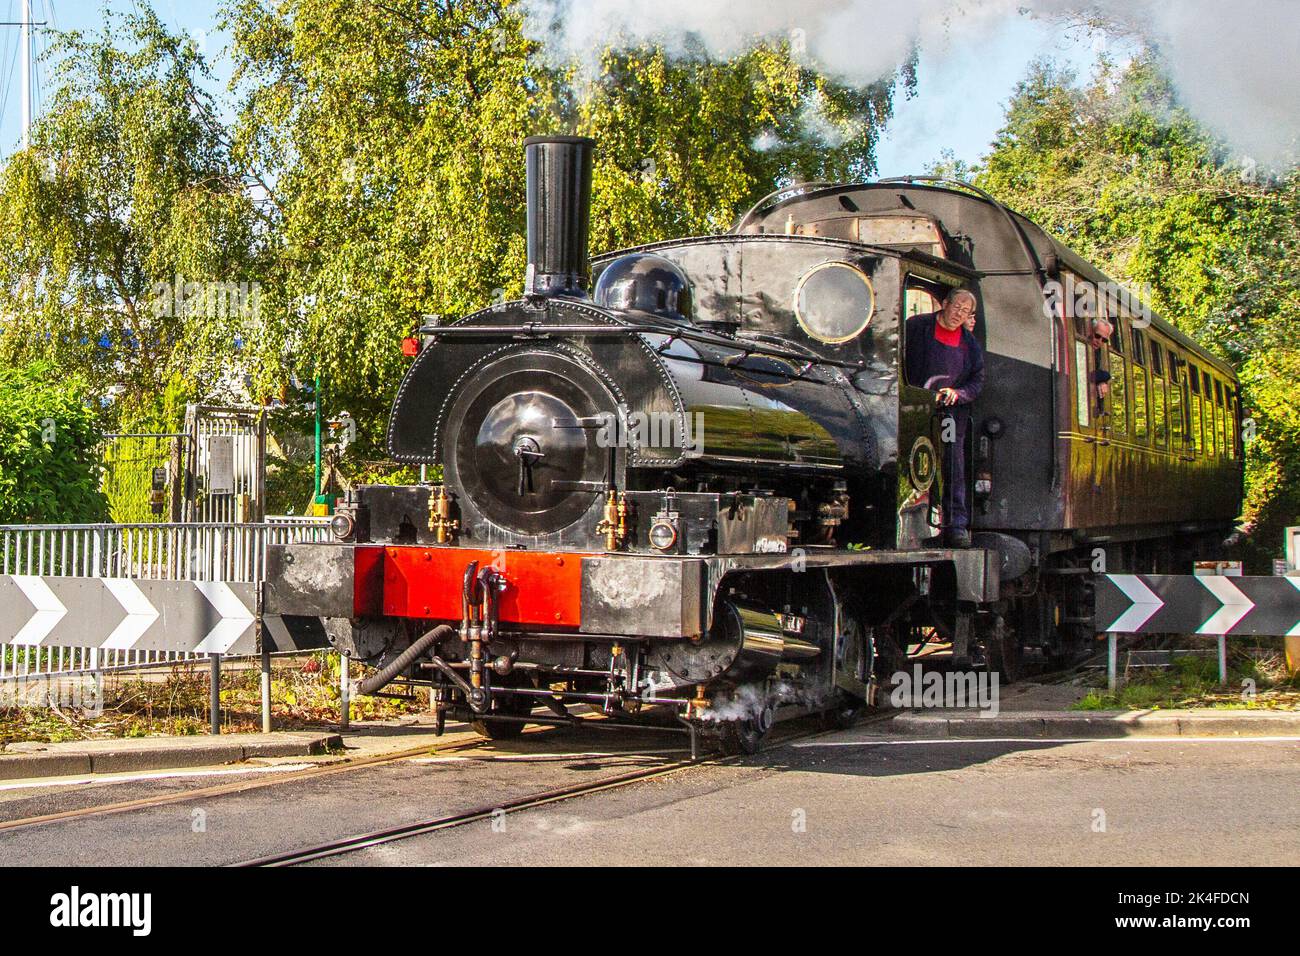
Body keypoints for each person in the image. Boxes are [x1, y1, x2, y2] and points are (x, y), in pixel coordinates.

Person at [904, 288, 985, 548]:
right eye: (956, 308)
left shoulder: (969, 343)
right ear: (945, 304)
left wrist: (958, 394)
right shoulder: (916, 327)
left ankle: (954, 526)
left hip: (951, 414)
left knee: (953, 466)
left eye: (965, 312)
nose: (958, 315)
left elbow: (977, 380)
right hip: (914, 406)